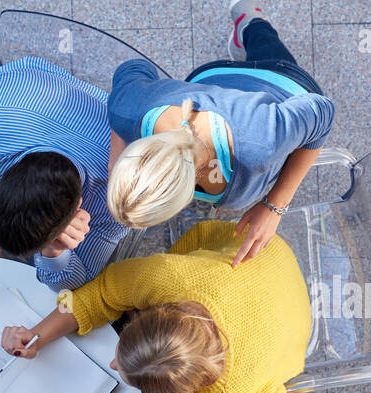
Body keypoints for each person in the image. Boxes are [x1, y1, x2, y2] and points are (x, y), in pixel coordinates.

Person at [0, 219, 310, 393]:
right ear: (144, 316)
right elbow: (99, 293)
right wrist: (35, 337)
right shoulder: (163, 276)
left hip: (290, 326)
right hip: (262, 247)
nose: (111, 362)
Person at [105, 2, 335, 264]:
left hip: (283, 83)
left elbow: (323, 113)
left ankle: (251, 20)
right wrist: (116, 156)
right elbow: (132, 69)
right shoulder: (127, 112)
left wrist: (274, 207)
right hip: (213, 75)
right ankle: (249, 26)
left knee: (270, 50)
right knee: (260, 42)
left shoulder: (260, 142)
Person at [0, 56, 129, 291]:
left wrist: (53, 250)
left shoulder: (122, 197)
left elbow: (79, 284)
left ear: (80, 206)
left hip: (90, 131)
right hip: (15, 108)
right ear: (6, 174)